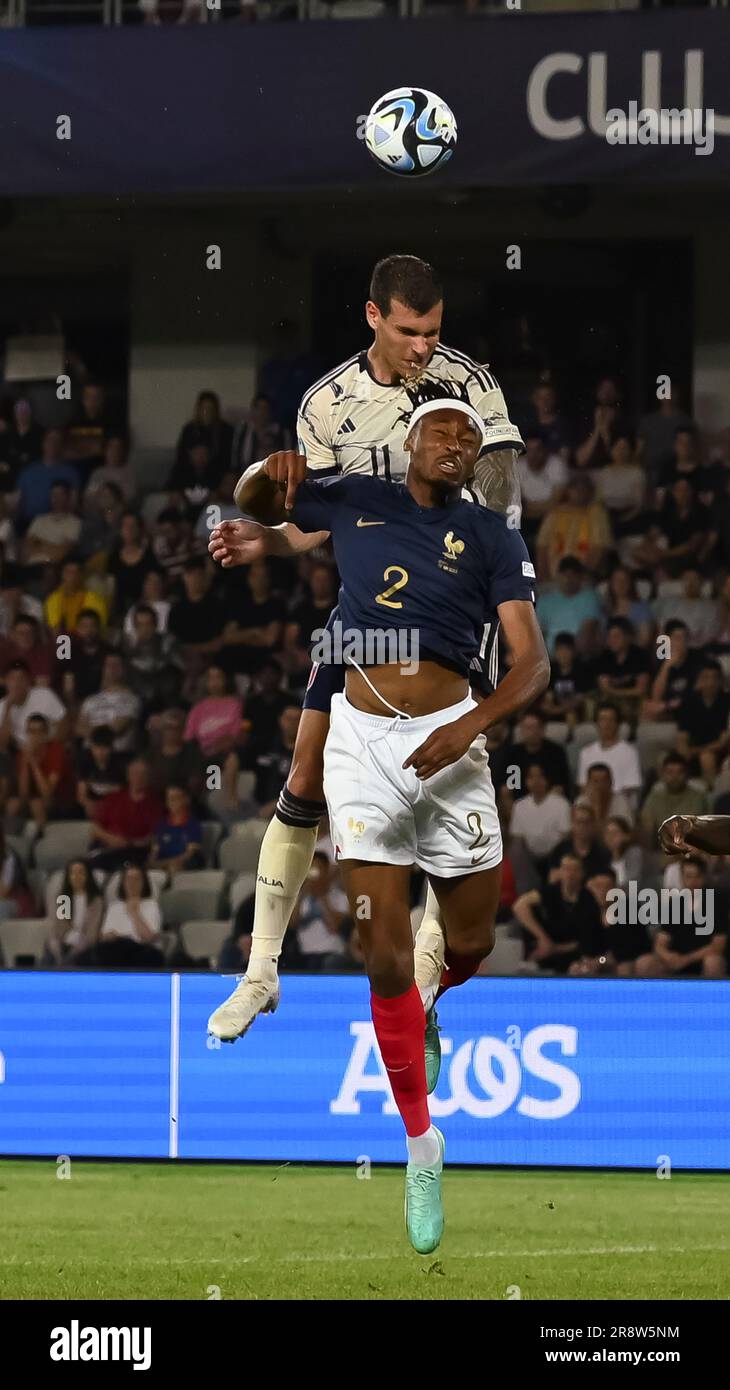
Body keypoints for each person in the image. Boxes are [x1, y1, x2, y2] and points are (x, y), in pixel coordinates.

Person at [208, 399, 548, 1254]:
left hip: (453, 741)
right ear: (409, 442)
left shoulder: (494, 538)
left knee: (470, 944)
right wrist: (271, 472)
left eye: (470, 437)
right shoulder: (355, 496)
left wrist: (468, 727)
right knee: (380, 950)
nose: (458, 441)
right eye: (442, 429)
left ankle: (436, 993)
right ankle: (419, 1141)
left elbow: (533, 664)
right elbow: (259, 503)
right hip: (364, 742)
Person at [207, 255, 526, 1046]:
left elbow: (498, 494)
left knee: (445, 784)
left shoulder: (470, 385)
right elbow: (318, 517)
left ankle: (422, 995)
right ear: (374, 317)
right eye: (412, 332)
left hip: (458, 604)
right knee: (304, 772)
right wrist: (270, 541)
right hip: (364, 617)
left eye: (436, 332)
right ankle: (261, 973)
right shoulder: (328, 403)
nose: (426, 348)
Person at [634, 858, 727, 979]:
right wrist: (668, 956)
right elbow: (660, 943)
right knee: (644, 962)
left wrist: (686, 959)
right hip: (677, 960)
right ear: (682, 878)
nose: (693, 882)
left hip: (702, 959)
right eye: (688, 876)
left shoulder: (716, 902)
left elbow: (718, 946)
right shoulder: (675, 904)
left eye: (697, 876)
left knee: (713, 962)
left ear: (703, 877)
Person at [512, 853, 603, 973]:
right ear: (560, 871)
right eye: (566, 869)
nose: (570, 874)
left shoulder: (588, 900)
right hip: (545, 948)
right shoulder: (551, 891)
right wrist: (543, 938)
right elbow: (519, 906)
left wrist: (553, 949)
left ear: (582, 874)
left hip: (574, 954)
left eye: (574, 870)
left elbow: (586, 940)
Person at [90, 758, 163, 871]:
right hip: (107, 848)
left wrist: (130, 843)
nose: (139, 778)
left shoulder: (156, 804)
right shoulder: (113, 798)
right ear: (128, 776)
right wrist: (111, 839)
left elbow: (154, 836)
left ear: (148, 777)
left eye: (143, 774)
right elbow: (95, 828)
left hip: (135, 852)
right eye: (135, 773)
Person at [6, 713, 75, 827]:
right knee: (12, 804)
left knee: (36, 804)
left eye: (39, 731)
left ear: (46, 734)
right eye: (31, 731)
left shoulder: (55, 751)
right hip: (34, 797)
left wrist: (33, 762)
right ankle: (11, 841)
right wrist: (25, 760)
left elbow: (47, 793)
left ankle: (41, 839)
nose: (34, 736)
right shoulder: (21, 754)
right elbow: (23, 793)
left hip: (59, 798)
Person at [93, 863, 164, 968]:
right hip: (115, 949)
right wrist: (109, 936)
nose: (132, 883)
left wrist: (134, 913)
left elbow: (148, 938)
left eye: (137, 879)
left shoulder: (151, 905)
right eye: (128, 879)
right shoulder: (114, 907)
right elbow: (103, 936)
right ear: (123, 883)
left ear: (144, 883)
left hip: (140, 950)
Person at [576, 701, 642, 805]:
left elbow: (630, 788)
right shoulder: (586, 752)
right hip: (593, 804)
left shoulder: (629, 752)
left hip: (619, 804)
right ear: (596, 723)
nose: (607, 724)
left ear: (618, 723)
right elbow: (583, 786)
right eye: (602, 720)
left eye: (611, 720)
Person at [535, 556, 602, 656]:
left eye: (573, 575)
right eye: (564, 575)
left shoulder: (590, 597)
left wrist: (569, 660)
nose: (568, 579)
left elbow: (588, 631)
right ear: (558, 576)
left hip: (579, 658)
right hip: (549, 658)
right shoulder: (545, 600)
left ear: (580, 577)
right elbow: (539, 632)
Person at [45, 859, 104, 964]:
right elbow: (57, 930)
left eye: (81, 872)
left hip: (85, 945)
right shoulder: (63, 899)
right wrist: (58, 954)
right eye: (73, 873)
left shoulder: (95, 901)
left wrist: (74, 952)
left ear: (88, 876)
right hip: (63, 944)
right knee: (50, 957)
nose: (77, 877)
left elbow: (92, 934)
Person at [0, 661, 67, 751]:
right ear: (5, 682)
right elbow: (2, 745)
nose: (17, 683)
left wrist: (48, 747)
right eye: (12, 678)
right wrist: (8, 708)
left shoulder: (44, 694)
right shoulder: (2, 706)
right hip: (21, 753)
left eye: (21, 678)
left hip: (49, 748)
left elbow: (64, 723)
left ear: (28, 681)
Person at [150, 786, 203, 876]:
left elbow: (190, 854)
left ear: (186, 800)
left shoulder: (193, 825)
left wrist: (170, 863)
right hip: (164, 863)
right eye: (169, 799)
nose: (172, 802)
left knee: (174, 867)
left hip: (184, 864)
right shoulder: (162, 826)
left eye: (176, 798)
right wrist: (152, 863)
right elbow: (154, 852)